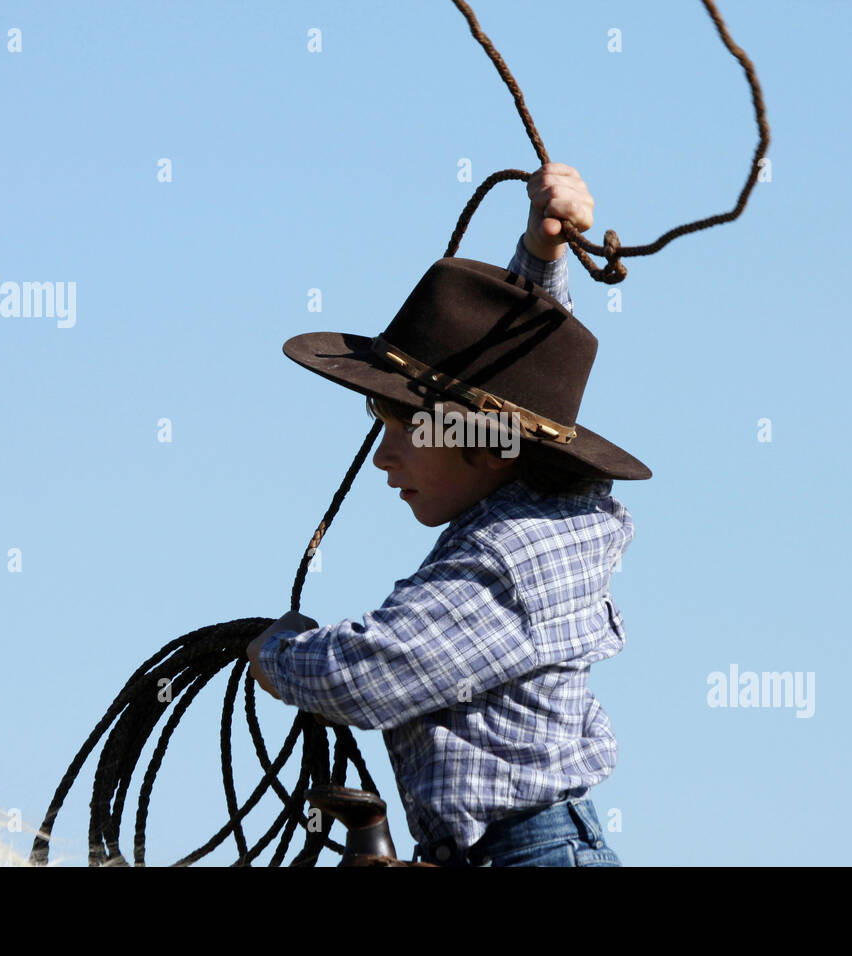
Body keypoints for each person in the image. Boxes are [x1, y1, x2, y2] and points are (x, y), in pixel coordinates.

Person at [246, 163, 651, 866]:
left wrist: (275, 655)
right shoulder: (537, 511)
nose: (383, 456)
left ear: (481, 443)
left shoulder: (505, 560)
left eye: (404, 427)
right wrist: (543, 255)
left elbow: (363, 676)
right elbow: (518, 381)